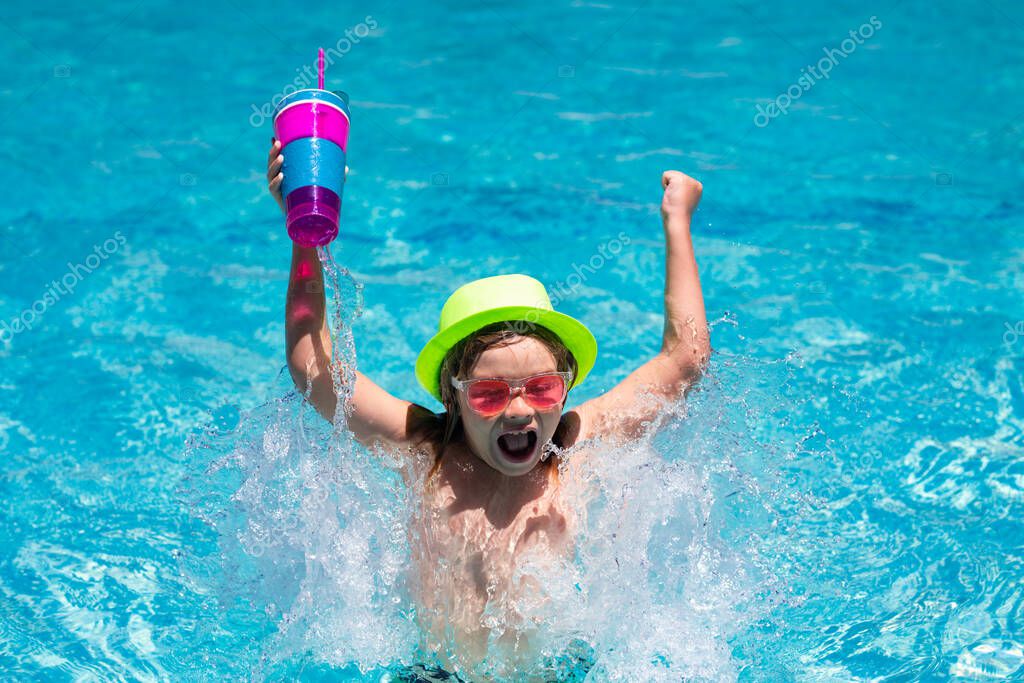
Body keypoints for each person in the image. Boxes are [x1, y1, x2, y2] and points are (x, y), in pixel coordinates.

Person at [267, 139, 710, 676]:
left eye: (541, 388)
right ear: (453, 395)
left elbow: (685, 360)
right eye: (490, 394)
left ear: (566, 388)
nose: (519, 411)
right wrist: (305, 235)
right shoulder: (426, 451)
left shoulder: (574, 449)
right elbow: (312, 368)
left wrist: (677, 221)